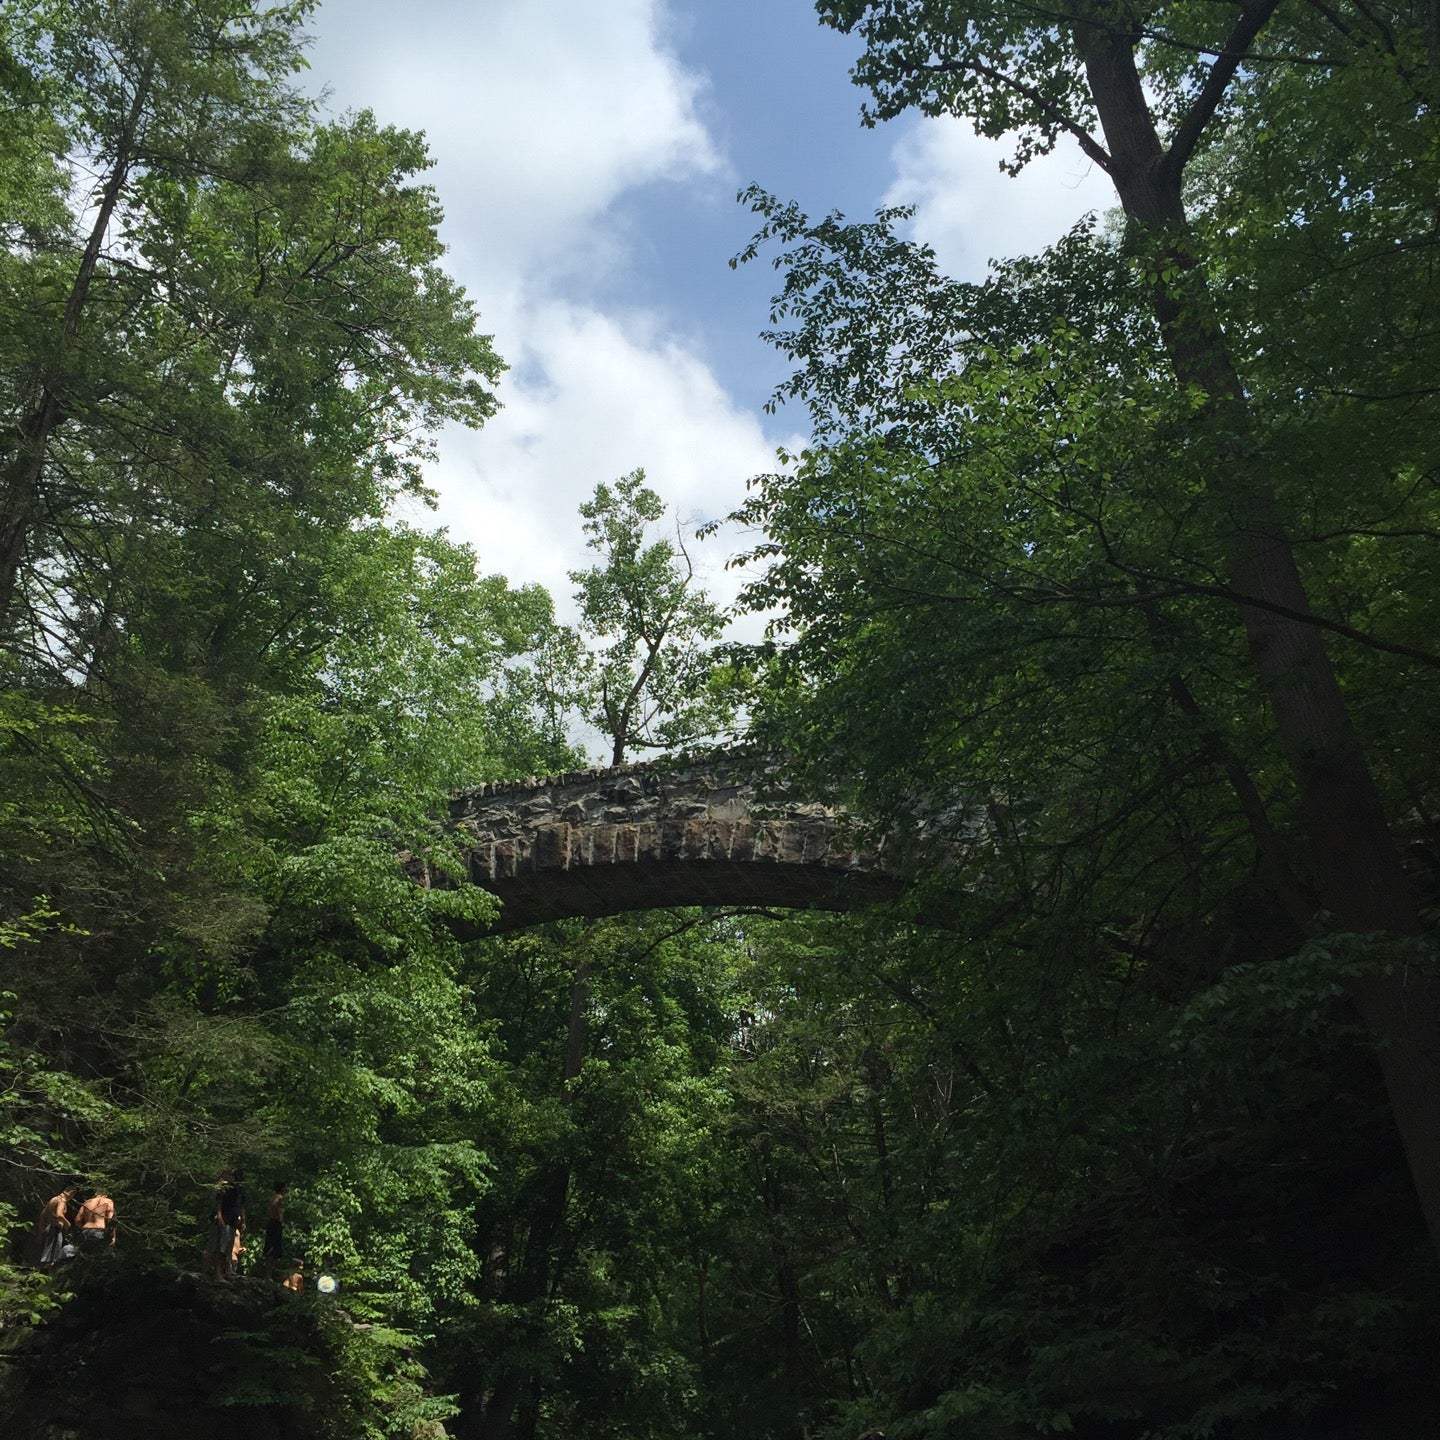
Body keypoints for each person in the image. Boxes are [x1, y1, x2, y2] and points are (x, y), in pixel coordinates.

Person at [206, 1168, 247, 1282]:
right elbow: (219, 1202)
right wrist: (219, 1217)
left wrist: (243, 1220)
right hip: (224, 1220)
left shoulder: (240, 1190)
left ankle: (225, 1272)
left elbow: (242, 1206)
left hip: (233, 1222)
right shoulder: (226, 1188)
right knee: (219, 1248)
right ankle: (217, 1274)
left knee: (228, 1249)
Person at [34, 1186, 76, 1268]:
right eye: (72, 1196)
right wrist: (67, 1223)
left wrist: (41, 1229)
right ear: (70, 1193)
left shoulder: (53, 1200)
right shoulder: (61, 1201)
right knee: (53, 1252)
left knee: (47, 1250)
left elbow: (43, 1215)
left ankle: (43, 1269)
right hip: (55, 1228)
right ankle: (49, 1270)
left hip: (48, 1227)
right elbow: (59, 1214)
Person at [262, 1180, 287, 1278]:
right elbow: (274, 1205)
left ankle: (269, 1274)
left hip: (272, 1222)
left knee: (273, 1249)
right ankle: (268, 1274)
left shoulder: (274, 1197)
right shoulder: (279, 1197)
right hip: (275, 1224)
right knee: (273, 1248)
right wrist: (279, 1217)